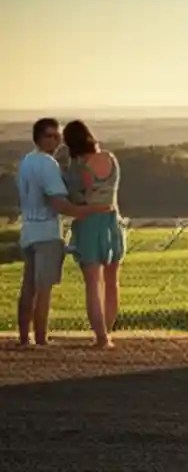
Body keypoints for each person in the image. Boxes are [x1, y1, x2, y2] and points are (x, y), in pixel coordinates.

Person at [15, 118, 113, 347]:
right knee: (44, 289)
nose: (57, 141)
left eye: (58, 136)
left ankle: (23, 337)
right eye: (52, 136)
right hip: (47, 232)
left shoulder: (26, 161)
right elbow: (59, 202)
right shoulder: (48, 164)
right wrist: (88, 211)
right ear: (39, 137)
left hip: (28, 230)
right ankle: (40, 338)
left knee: (28, 286)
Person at [62, 120, 126, 349]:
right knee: (112, 281)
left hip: (90, 222)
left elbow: (78, 197)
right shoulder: (111, 158)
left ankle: (101, 337)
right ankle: (108, 331)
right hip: (113, 221)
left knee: (92, 283)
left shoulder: (79, 168)